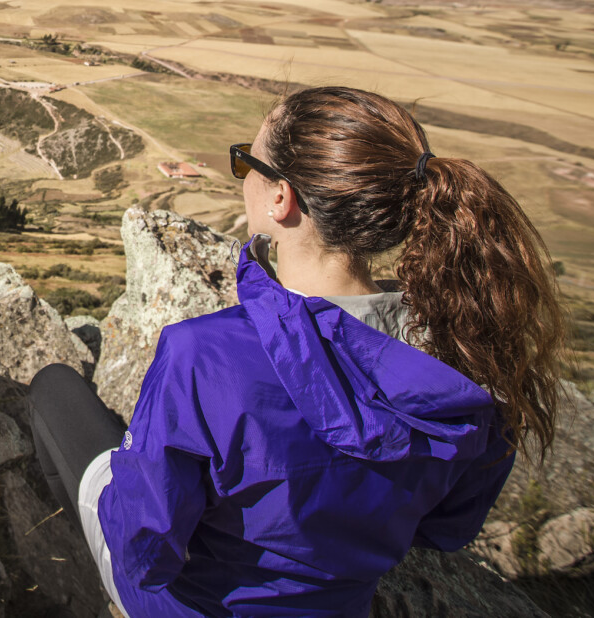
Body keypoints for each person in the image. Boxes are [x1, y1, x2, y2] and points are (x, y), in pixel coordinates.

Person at [29, 85, 564, 617]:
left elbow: (143, 552)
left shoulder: (204, 358)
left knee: (55, 389)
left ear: (281, 198)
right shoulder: (468, 362)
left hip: (190, 607)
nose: (243, 175)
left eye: (247, 162)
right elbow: (448, 526)